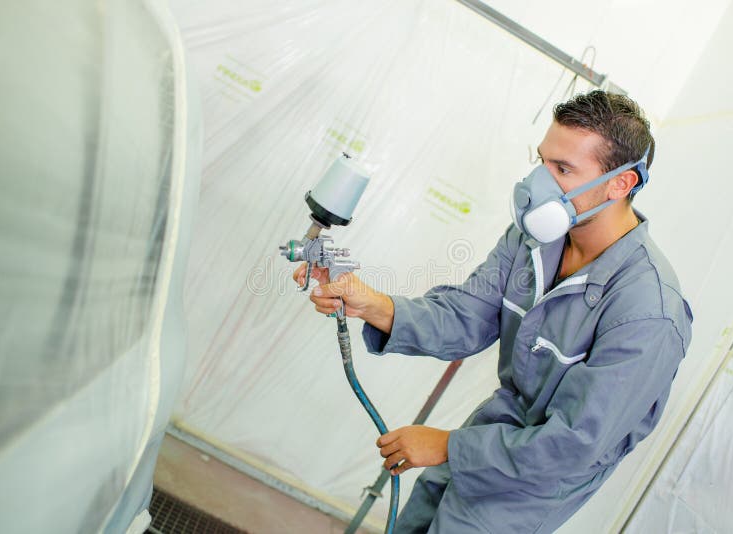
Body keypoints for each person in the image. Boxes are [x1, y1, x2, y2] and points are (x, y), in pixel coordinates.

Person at [293, 90, 692, 533]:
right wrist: (376, 306)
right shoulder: (534, 240)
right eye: (542, 161)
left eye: (562, 170)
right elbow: (468, 315)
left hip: (529, 492)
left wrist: (448, 447)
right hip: (484, 440)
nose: (537, 185)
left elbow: (574, 444)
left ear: (621, 184)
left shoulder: (648, 312)